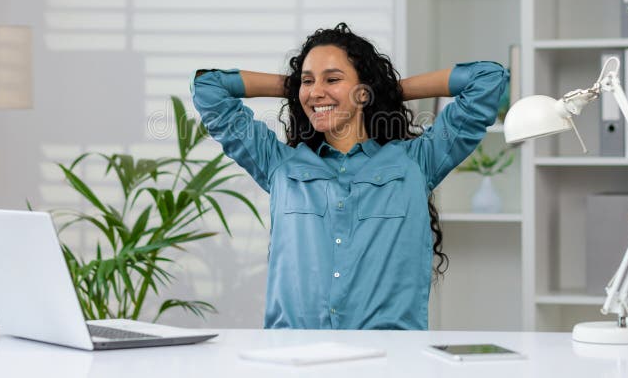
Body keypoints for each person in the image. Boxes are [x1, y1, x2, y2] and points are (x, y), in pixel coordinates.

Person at [190, 23, 508, 330]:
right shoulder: (278, 165)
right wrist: (296, 89)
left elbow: (488, 80)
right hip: (293, 358)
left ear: (363, 92)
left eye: (332, 79)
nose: (316, 92)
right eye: (308, 80)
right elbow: (208, 87)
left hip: (391, 360)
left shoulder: (417, 162)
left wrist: (385, 90)